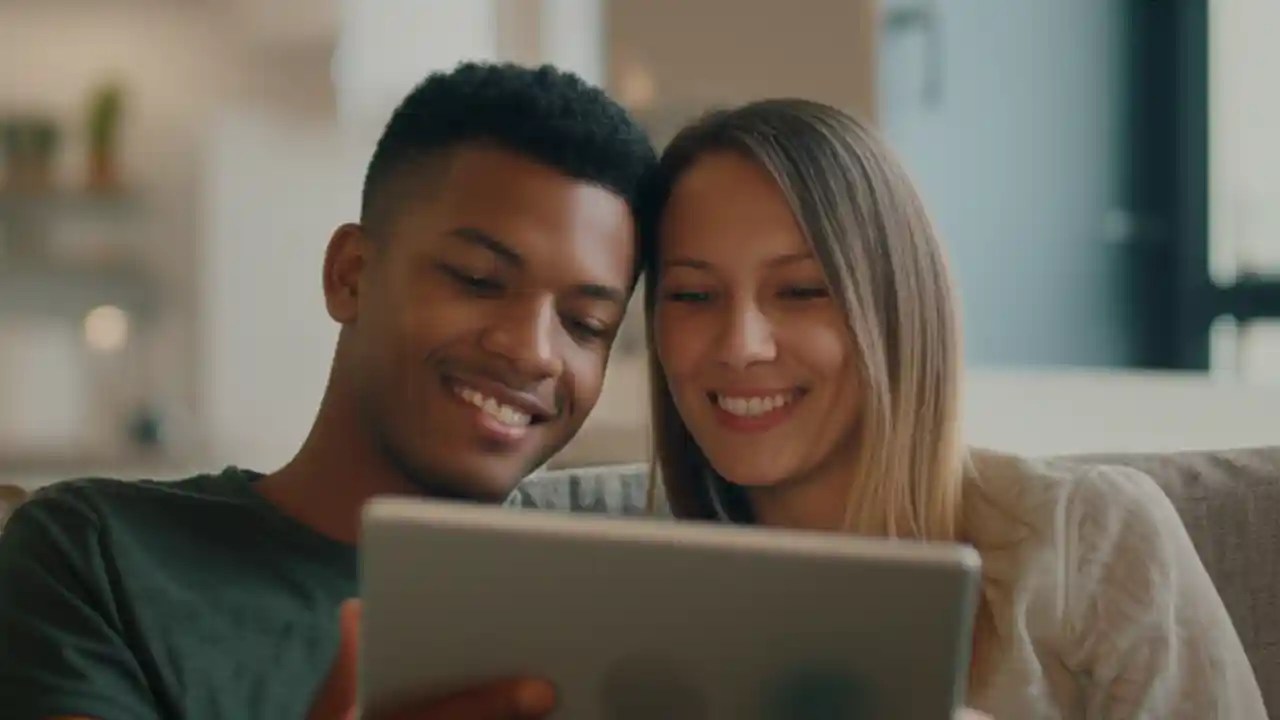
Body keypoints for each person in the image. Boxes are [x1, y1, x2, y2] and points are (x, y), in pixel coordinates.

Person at [0, 62, 655, 720]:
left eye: (585, 324)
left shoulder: (613, 613)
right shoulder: (96, 556)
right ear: (352, 275)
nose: (536, 350)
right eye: (479, 280)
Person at [641, 99, 1268, 718]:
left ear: (899, 309)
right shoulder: (634, 596)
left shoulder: (1089, 538)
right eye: (693, 295)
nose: (740, 346)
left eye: (803, 290)